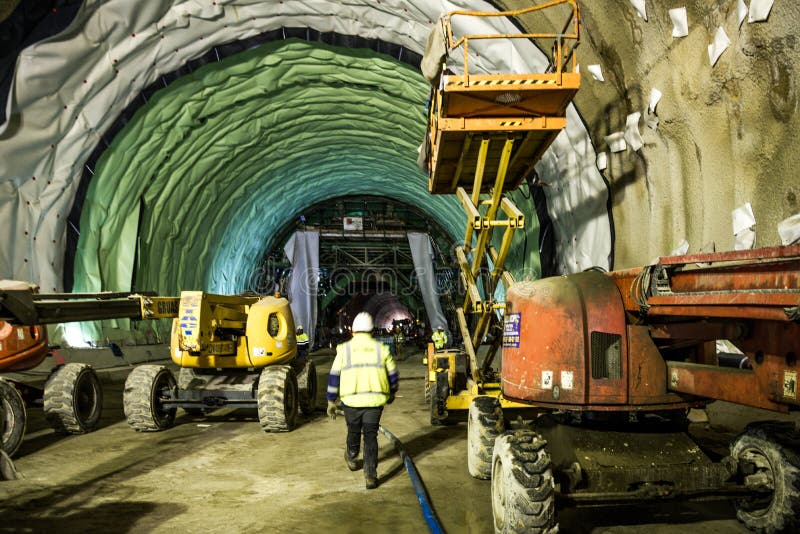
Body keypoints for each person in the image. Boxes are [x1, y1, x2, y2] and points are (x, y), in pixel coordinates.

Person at [326, 312, 398, 489]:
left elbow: (334, 376)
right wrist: (392, 393)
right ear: (372, 331)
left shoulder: (344, 350)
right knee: (371, 437)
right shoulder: (382, 350)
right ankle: (370, 475)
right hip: (375, 402)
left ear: (353, 331)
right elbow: (393, 376)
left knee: (353, 430)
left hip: (351, 402)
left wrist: (330, 400)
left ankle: (351, 456)